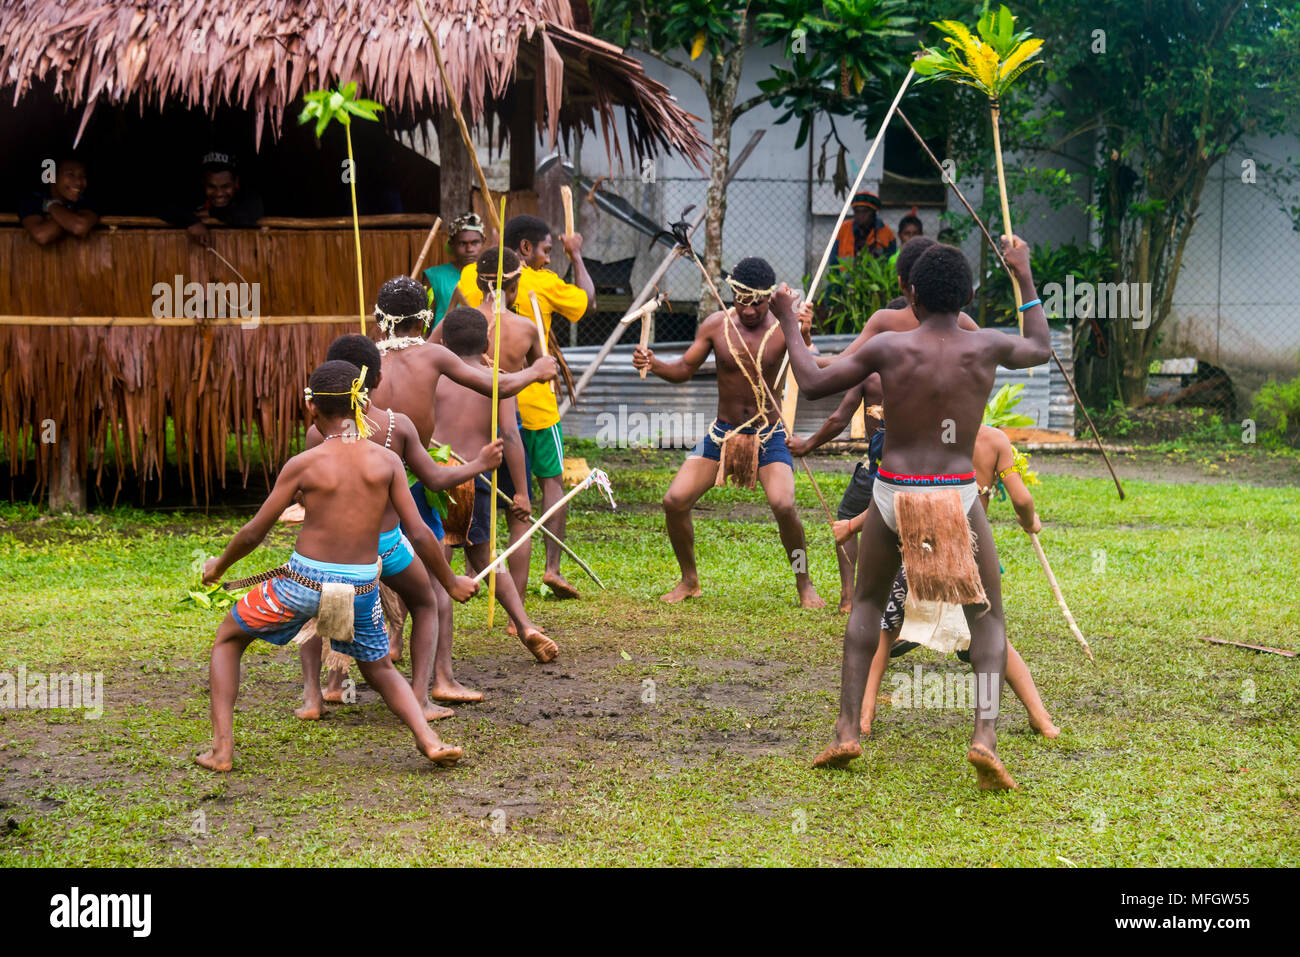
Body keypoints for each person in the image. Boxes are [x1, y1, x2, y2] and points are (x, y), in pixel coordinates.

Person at [772, 235, 1051, 790]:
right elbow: (1040, 348)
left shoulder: (889, 349)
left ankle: (847, 729)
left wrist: (786, 320)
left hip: (893, 492)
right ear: (968, 296)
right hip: (955, 494)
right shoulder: (986, 345)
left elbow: (812, 380)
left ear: (913, 298)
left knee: (869, 602)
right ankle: (984, 739)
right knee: (987, 619)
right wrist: (1022, 274)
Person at [196, 360, 466, 771]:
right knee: (379, 668)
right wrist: (450, 581)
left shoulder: (304, 464)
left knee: (229, 639)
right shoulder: (387, 462)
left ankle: (221, 751)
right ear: (360, 404)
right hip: (357, 590)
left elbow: (254, 532)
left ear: (312, 409)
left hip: (302, 586)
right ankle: (428, 739)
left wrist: (218, 565)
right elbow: (420, 532)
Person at [365, 276, 557, 701]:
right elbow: (500, 388)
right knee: (439, 580)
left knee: (369, 567)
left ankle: (339, 678)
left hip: (366, 475)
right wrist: (536, 369)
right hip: (421, 476)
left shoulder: (364, 357)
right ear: (423, 319)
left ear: (379, 317)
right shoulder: (433, 357)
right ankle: (442, 678)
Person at [296, 334, 502, 722]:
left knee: (324, 606)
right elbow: (436, 481)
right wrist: (479, 464)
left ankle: (318, 694)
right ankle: (421, 697)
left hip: (336, 549)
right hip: (389, 546)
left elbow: (306, 499)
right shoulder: (396, 426)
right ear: (376, 380)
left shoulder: (315, 433)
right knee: (426, 603)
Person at [788, 236, 979, 612]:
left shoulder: (885, 328)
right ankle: (925, 606)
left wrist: (794, 332)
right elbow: (1033, 348)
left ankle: (860, 602)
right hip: (947, 468)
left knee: (871, 526)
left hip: (892, 466)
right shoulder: (969, 330)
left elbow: (826, 376)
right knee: (938, 535)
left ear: (905, 286)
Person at [837, 423, 1059, 739]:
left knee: (885, 632)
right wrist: (1031, 520)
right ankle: (1041, 718)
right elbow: (1021, 499)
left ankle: (864, 716)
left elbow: (891, 497)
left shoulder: (924, 440)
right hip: (972, 557)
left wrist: (851, 525)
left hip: (924, 554)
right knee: (993, 637)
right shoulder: (994, 441)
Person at [633, 256, 824, 609]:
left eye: (757, 303)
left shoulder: (786, 327)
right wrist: (654, 363)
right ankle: (689, 580)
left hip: (768, 435)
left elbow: (811, 368)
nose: (748, 310)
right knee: (674, 501)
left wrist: (805, 333)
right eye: (740, 300)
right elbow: (684, 369)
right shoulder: (715, 324)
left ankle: (804, 582)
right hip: (723, 434)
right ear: (731, 293)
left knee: (784, 505)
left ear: (769, 298)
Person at [456, 214, 594, 599]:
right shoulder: (546, 286)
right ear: (526, 250)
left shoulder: (471, 276)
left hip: (480, 410)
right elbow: (588, 301)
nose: (549, 259)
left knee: (477, 482)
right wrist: (577, 255)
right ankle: (551, 568)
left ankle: (473, 566)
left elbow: (450, 318)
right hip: (531, 410)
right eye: (547, 251)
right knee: (543, 487)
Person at [432, 307, 559, 666]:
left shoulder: (435, 378)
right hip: (478, 479)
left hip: (438, 478)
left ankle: (398, 641)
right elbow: (511, 436)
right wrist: (521, 491)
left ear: (443, 342)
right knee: (487, 559)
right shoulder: (497, 379)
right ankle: (524, 624)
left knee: (437, 564)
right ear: (488, 341)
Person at [431, 248, 545, 612]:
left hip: (441, 461)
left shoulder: (442, 346)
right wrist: (524, 492)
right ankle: (520, 618)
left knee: (436, 553)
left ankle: (404, 633)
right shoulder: (523, 331)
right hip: (490, 451)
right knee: (504, 532)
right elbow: (514, 427)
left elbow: (424, 361)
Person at [166, 151, 264, 247]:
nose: (219, 194)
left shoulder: (246, 196)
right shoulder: (192, 196)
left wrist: (212, 213)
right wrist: (192, 222)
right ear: (203, 183)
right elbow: (162, 205)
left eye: (225, 186)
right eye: (211, 187)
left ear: (236, 182)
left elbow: (252, 213)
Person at [19, 157, 98, 245]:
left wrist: (50, 205)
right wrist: (70, 214)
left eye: (82, 176)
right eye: (70, 174)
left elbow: (79, 227)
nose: (79, 182)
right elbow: (41, 235)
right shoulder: (33, 199)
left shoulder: (87, 200)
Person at [424, 212, 484, 327]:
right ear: (451, 244)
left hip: (476, 339)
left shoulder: (490, 276)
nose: (469, 249)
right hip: (442, 341)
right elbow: (425, 323)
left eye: (475, 243)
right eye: (462, 243)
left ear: (483, 242)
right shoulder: (434, 276)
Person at [833, 190, 896, 262]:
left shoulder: (886, 233)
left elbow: (891, 261)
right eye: (857, 211)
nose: (860, 216)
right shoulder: (844, 229)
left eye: (865, 211)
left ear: (873, 213)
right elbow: (833, 260)